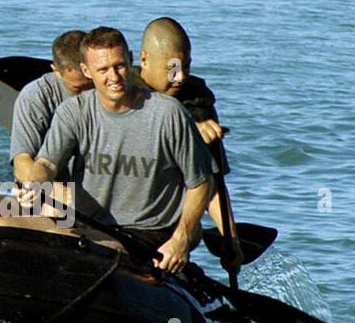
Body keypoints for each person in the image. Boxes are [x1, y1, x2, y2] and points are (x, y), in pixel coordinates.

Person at [14, 26, 213, 273]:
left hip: (146, 234)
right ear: (87, 71)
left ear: (130, 61)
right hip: (88, 225)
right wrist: (34, 182)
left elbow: (202, 183)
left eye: (119, 66)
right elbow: (46, 164)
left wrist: (181, 239)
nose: (114, 77)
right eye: (103, 70)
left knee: (76, 247)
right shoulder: (72, 111)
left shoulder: (169, 114)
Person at [0, 30, 90, 229]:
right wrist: (42, 188)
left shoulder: (107, 97)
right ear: (56, 71)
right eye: (77, 88)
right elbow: (22, 162)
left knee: (1, 224)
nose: (86, 93)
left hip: (87, 195)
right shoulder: (36, 95)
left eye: (90, 84)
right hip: (48, 190)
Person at [135, 16, 241, 269]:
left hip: (166, 223)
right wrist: (190, 131)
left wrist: (231, 239)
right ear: (144, 60)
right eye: (171, 68)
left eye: (186, 67)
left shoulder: (196, 102)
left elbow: (212, 183)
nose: (180, 77)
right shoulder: (121, 90)